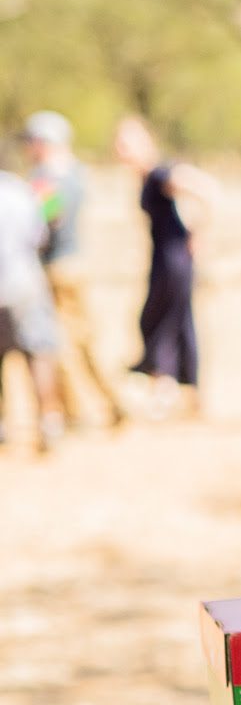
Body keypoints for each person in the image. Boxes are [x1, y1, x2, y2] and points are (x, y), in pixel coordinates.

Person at [23, 111, 125, 429]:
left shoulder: (46, 180)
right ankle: (111, 401)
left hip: (57, 268)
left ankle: (75, 410)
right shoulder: (77, 173)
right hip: (77, 263)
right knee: (86, 338)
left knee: (59, 342)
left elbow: (43, 225)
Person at [113, 117, 212, 418]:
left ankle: (165, 390)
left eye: (126, 144)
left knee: (159, 322)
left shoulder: (160, 174)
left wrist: (200, 233)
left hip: (173, 261)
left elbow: (205, 190)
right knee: (177, 323)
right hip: (166, 258)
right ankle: (187, 394)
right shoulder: (147, 177)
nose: (121, 150)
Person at [0, 167, 65, 452]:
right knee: (38, 353)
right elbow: (42, 233)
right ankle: (49, 422)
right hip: (25, 282)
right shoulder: (21, 190)